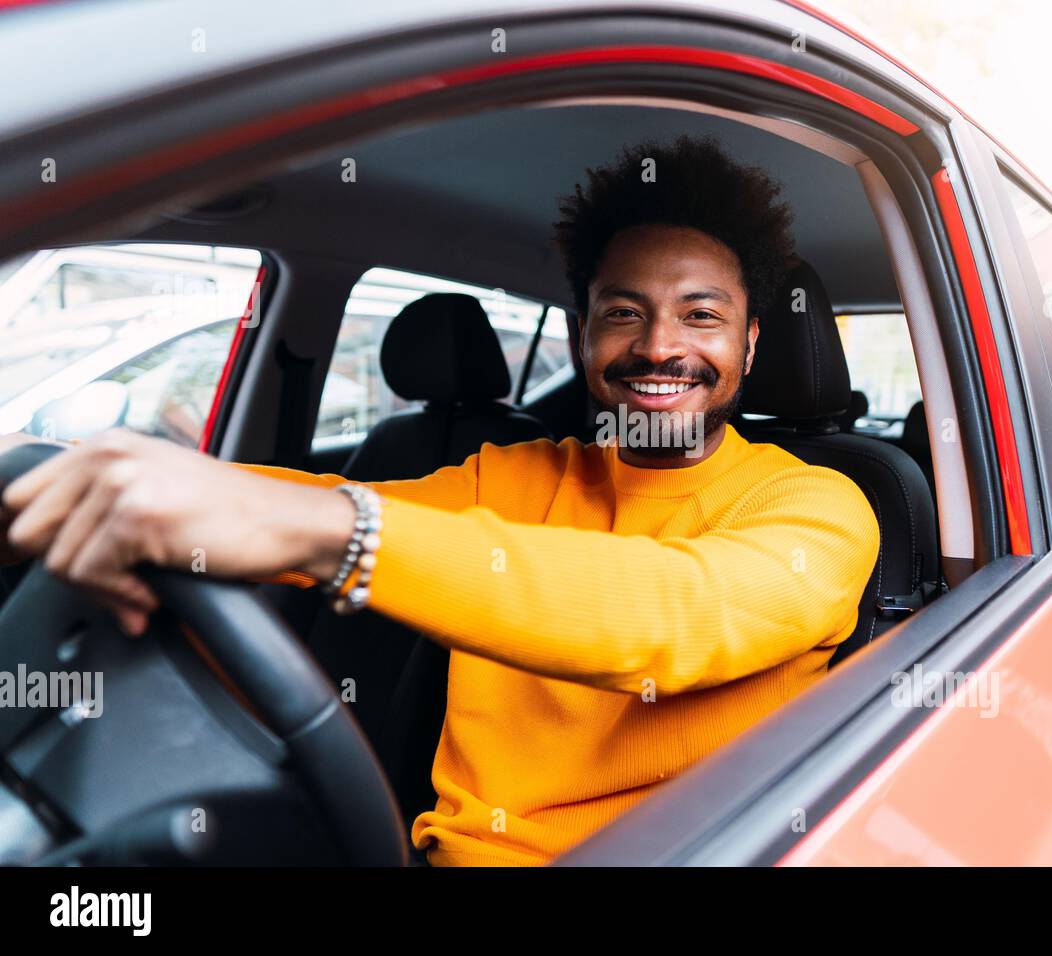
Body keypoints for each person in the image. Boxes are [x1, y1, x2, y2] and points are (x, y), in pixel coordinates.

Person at [0, 135, 878, 866]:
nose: (658, 346)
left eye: (700, 315)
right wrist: (70, 477)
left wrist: (329, 533)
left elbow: (678, 611)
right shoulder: (514, 475)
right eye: (623, 312)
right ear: (582, 335)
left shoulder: (817, 508)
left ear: (751, 342)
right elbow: (324, 496)